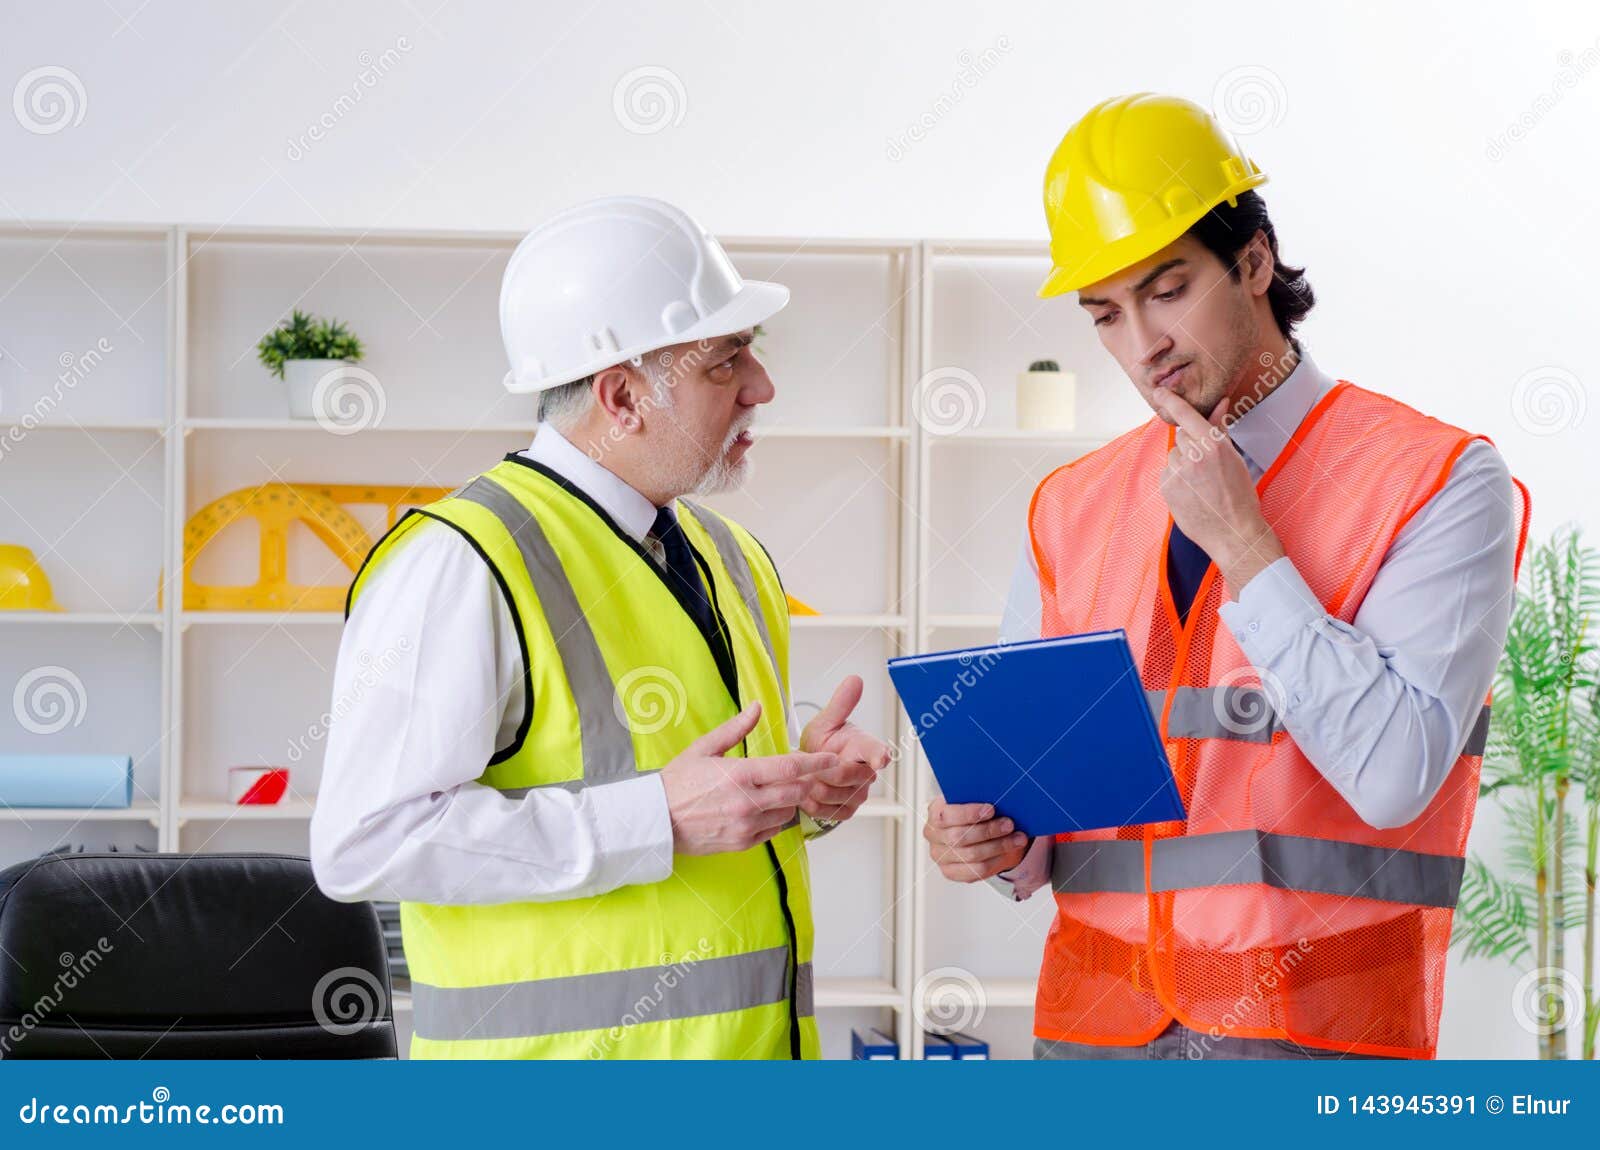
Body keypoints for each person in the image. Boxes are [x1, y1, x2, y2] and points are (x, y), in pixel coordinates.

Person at [922, 93, 1529, 1060]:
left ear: (1252, 262)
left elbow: (1394, 778)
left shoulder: (1435, 478)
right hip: (1093, 1041)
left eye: (1168, 290)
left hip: (1308, 1043)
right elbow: (1039, 815)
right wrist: (992, 843)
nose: (1142, 347)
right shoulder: (1071, 505)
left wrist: (1249, 548)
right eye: (1105, 314)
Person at [312, 196, 891, 1059]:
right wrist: (651, 818)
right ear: (622, 396)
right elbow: (365, 844)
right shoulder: (464, 562)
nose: (761, 388)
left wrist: (801, 794)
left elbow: (703, 807)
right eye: (725, 362)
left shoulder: (729, 556)